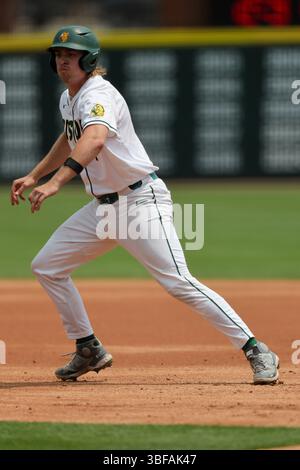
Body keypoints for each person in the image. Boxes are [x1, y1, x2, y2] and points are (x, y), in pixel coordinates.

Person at [11, 25, 279, 384]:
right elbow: (70, 136)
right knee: (46, 266)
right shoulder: (70, 98)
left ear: (89, 60)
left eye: (71, 55)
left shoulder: (98, 94)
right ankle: (88, 347)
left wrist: (57, 182)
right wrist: (35, 175)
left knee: (178, 282)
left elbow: (94, 139)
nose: (63, 61)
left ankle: (255, 348)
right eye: (58, 55)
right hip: (103, 209)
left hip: (139, 203)